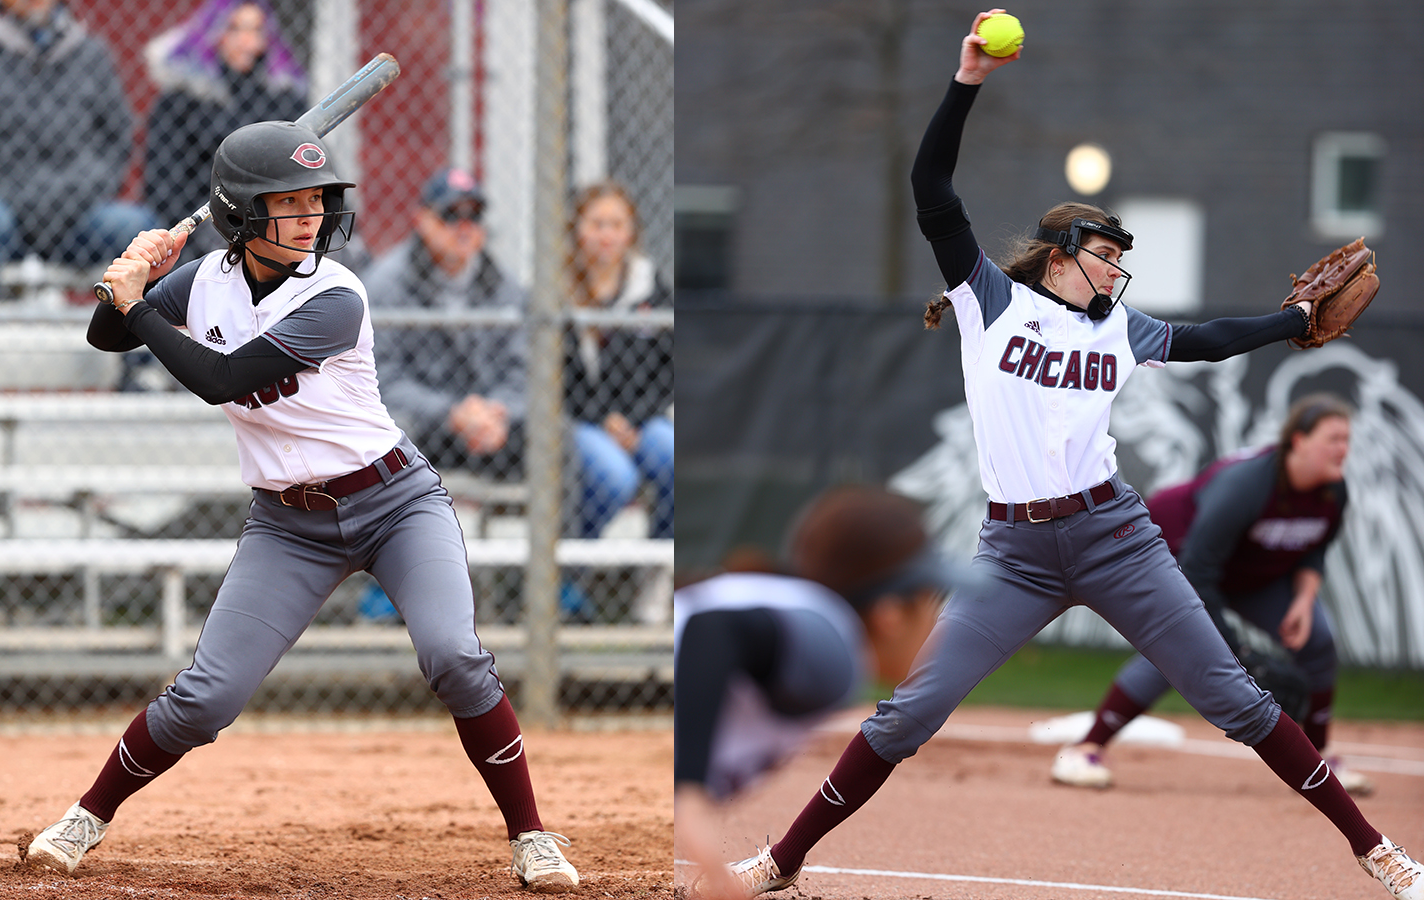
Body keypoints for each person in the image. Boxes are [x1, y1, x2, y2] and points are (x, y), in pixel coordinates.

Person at [717, 12, 1424, 900]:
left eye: (1122, 261)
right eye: (1103, 258)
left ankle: (1379, 853)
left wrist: (1292, 323)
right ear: (1059, 259)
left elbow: (1204, 340)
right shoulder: (988, 302)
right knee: (908, 715)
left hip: (1113, 537)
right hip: (1011, 555)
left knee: (1238, 703)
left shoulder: (1121, 327)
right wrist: (967, 78)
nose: (1116, 273)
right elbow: (931, 187)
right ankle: (781, 861)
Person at [23, 121, 578, 892]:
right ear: (242, 214)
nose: (312, 216)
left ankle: (533, 837)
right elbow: (105, 338)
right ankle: (86, 816)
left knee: (453, 656)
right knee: (203, 701)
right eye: (288, 203)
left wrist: (140, 305)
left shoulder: (336, 295)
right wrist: (138, 277)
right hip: (289, 524)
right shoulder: (206, 281)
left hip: (394, 501)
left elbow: (224, 380)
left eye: (316, 200)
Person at [1053, 393, 1374, 795]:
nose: (1343, 449)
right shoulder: (1246, 485)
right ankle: (1085, 749)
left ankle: (1321, 758)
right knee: (1180, 651)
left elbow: (1315, 549)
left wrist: (1304, 600)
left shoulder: (1332, 491)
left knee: (1318, 640)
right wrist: (1240, 652)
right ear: (1298, 441)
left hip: (1250, 573)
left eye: (1347, 438)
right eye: (1333, 438)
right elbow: (1199, 568)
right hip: (1176, 556)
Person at [675, 485, 969, 900]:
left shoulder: (819, 620)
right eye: (929, 600)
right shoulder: (835, 646)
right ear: (889, 615)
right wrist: (691, 794)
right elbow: (711, 631)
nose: (938, 620)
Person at [0, 0, 155, 391]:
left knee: (138, 229)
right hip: (1, 218)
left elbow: (117, 141)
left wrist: (79, 190)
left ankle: (139, 366)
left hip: (72, 218)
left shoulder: (90, 55)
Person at [365, 167, 529, 483]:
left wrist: (493, 412)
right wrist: (451, 413)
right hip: (425, 425)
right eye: (451, 215)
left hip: (491, 426)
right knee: (390, 434)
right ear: (422, 220)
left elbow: (523, 371)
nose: (464, 228)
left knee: (555, 433)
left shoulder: (505, 286)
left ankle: (557, 534)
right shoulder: (385, 285)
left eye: (475, 216)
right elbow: (382, 379)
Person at [142, 0, 308, 260]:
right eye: (235, 29)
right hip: (200, 217)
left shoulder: (284, 99)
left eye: (256, 31)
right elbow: (162, 184)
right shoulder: (182, 100)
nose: (247, 41)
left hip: (275, 216)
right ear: (214, 33)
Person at [562, 181, 674, 540]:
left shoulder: (649, 288)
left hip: (638, 419)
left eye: (616, 224)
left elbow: (668, 369)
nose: (606, 234)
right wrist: (603, 420)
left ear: (631, 232)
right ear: (578, 229)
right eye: (597, 224)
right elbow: (558, 378)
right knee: (616, 478)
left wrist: (635, 420)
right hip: (580, 420)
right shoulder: (558, 288)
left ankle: (655, 574)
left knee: (673, 459)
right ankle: (568, 573)